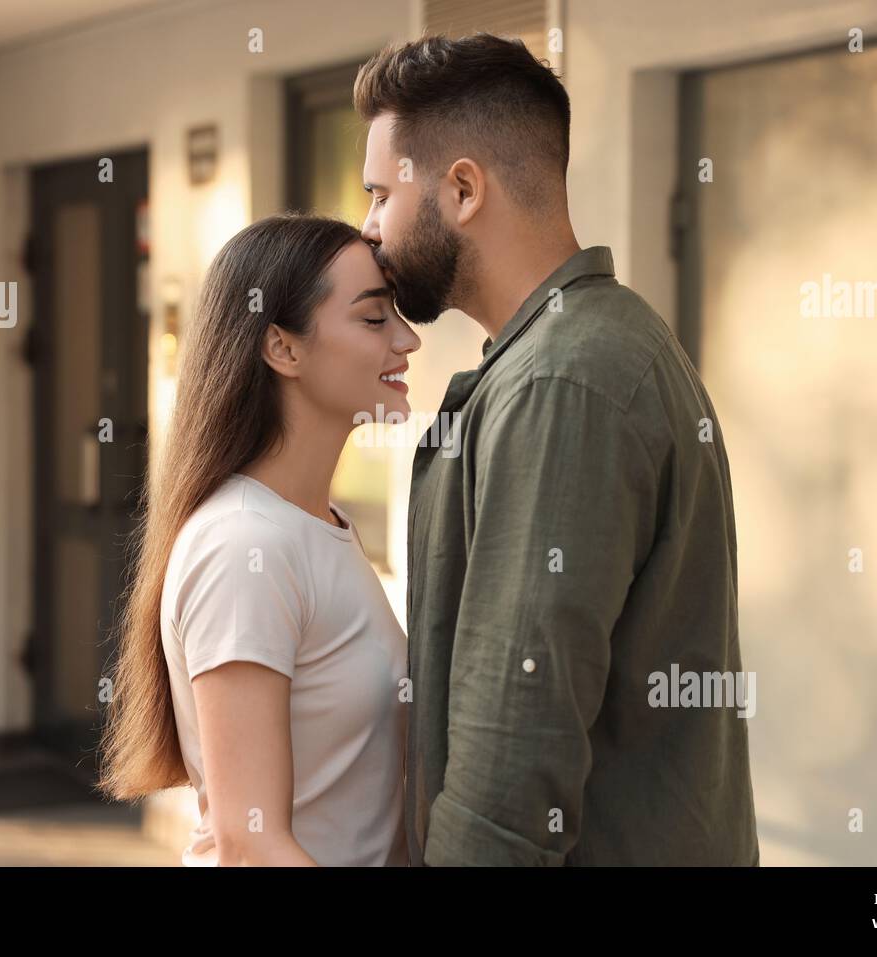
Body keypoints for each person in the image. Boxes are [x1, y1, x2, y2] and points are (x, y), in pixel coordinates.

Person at [355, 33, 760, 865]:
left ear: (462, 188)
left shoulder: (561, 383)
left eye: (378, 196)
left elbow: (513, 745)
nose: (369, 231)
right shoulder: (580, 351)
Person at [98, 213, 420, 866]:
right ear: (283, 347)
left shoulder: (312, 526)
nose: (408, 340)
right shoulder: (247, 546)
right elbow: (251, 846)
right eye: (374, 318)